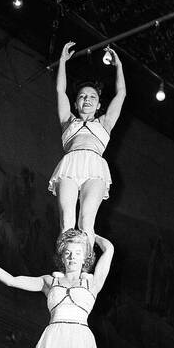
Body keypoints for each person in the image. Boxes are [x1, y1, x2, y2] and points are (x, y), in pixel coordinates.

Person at [48, 41, 125, 248]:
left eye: (92, 97)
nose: (87, 100)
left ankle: (84, 271)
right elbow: (60, 91)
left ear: (99, 104)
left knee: (86, 223)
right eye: (82, 97)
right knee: (66, 222)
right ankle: (65, 267)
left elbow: (121, 94)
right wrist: (63, 61)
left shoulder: (105, 123)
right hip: (70, 166)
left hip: (95, 168)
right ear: (76, 103)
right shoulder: (68, 120)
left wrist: (119, 67)